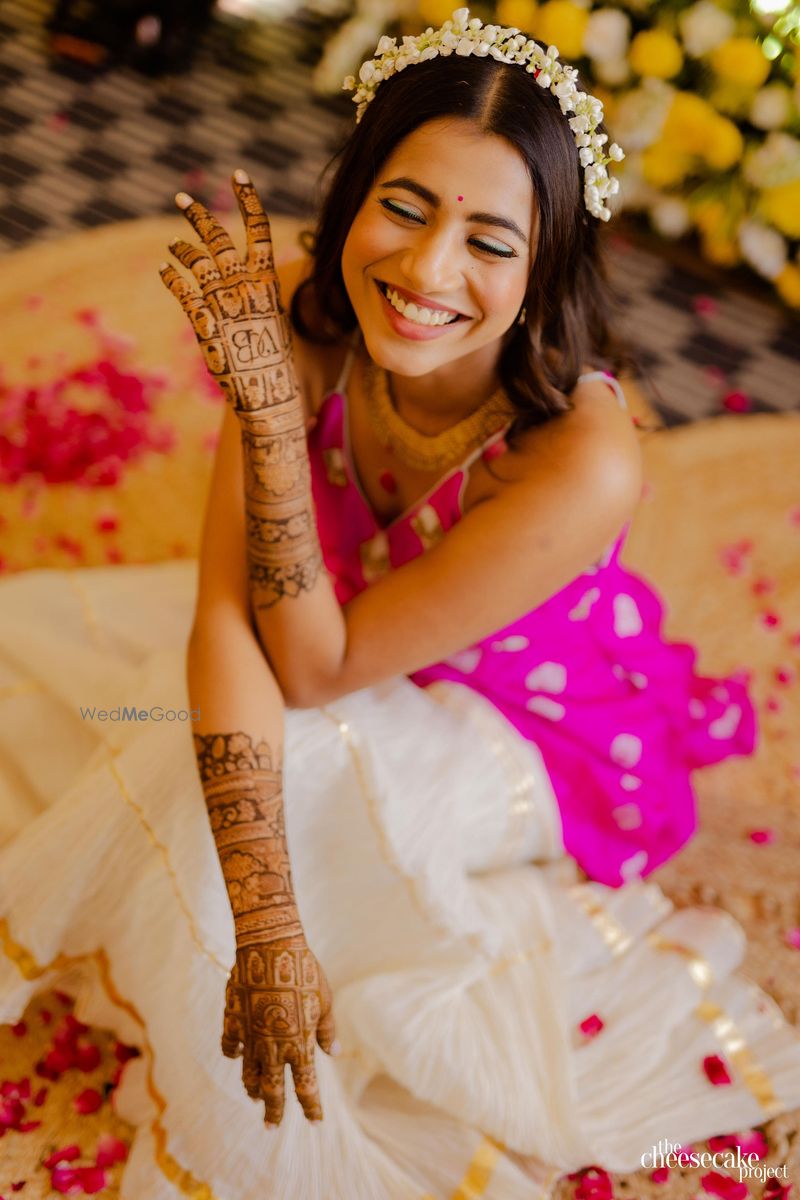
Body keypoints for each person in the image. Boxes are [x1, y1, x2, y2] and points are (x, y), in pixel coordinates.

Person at [1, 9, 799, 1198]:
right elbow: (232, 618)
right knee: (70, 670)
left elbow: (318, 673)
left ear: (544, 269)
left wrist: (272, 419)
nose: (425, 274)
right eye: (406, 208)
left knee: (221, 764)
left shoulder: (580, 455)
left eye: (489, 239)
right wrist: (268, 922)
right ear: (350, 193)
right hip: (308, 619)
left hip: (522, 731)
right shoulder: (298, 306)